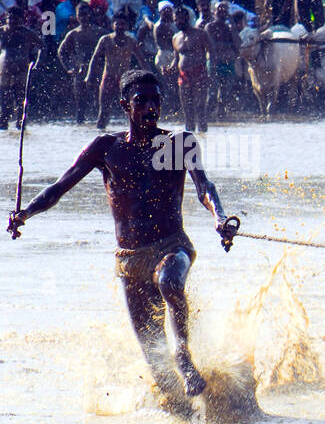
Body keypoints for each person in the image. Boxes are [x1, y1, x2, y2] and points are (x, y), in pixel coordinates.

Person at [7, 69, 238, 406]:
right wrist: (25, 213)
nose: (150, 107)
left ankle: (185, 358)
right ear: (124, 106)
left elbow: (206, 188)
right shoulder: (106, 149)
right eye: (140, 101)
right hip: (130, 259)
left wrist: (219, 218)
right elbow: (59, 188)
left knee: (171, 282)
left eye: (155, 101)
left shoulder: (180, 143)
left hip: (172, 246)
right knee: (156, 365)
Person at [87, 10, 148, 129]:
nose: (120, 27)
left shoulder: (131, 41)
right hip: (108, 78)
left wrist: (149, 76)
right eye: (117, 24)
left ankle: (134, 135)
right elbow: (94, 59)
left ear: (127, 26)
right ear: (112, 25)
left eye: (123, 24)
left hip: (125, 80)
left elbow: (142, 60)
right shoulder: (105, 40)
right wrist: (89, 76)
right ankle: (100, 136)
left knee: (132, 110)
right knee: (104, 111)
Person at [58, 1, 105, 123]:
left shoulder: (100, 32)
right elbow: (61, 52)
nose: (84, 17)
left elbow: (110, 50)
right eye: (81, 14)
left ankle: (99, 131)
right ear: (76, 16)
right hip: (80, 71)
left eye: (86, 14)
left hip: (97, 70)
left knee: (99, 102)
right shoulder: (73, 34)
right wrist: (68, 67)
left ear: (90, 14)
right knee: (80, 105)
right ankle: (81, 129)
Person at [170, 5, 211, 132]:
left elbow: (211, 53)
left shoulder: (201, 34)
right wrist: (170, 68)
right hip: (183, 76)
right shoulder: (176, 38)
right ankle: (190, 137)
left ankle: (203, 136)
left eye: (181, 19)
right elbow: (177, 59)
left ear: (187, 18)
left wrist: (210, 72)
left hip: (200, 73)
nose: (178, 22)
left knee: (200, 108)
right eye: (176, 20)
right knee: (187, 109)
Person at [0, 7, 42, 129]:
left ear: (21, 20)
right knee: (4, 106)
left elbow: (42, 47)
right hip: (4, 73)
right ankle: (4, 133)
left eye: (16, 19)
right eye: (10, 19)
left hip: (22, 72)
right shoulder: (1, 32)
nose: (13, 22)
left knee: (21, 105)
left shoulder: (28, 33)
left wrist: (37, 63)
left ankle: (21, 130)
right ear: (6, 19)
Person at [206, 0, 240, 119]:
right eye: (219, 9)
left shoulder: (229, 28)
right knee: (212, 93)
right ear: (214, 12)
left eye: (225, 10)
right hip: (214, 64)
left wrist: (233, 25)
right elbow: (213, 46)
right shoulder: (209, 27)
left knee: (226, 93)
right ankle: (208, 117)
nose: (222, 12)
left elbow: (237, 44)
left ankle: (221, 115)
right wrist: (228, 46)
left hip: (228, 64)